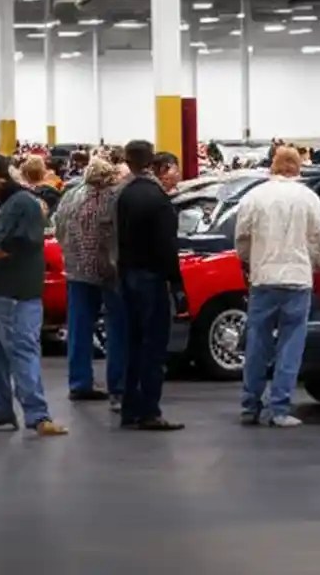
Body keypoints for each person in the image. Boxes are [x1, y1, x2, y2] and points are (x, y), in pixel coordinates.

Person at [0, 155, 67, 437]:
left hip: (11, 292)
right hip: (0, 291)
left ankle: (38, 415)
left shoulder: (19, 204)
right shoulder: (15, 203)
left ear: (1, 176)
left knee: (20, 350)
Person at [235, 146, 320, 428]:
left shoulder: (254, 196)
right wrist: (319, 262)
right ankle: (279, 409)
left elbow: (241, 237)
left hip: (263, 278)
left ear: (273, 166)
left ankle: (250, 406)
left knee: (257, 342)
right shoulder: (310, 198)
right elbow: (319, 239)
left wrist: (250, 261)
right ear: (298, 167)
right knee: (291, 344)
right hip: (298, 279)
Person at [115, 140, 184, 431]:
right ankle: (150, 411)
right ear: (152, 161)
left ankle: (129, 408)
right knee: (154, 347)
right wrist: (177, 284)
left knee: (132, 344)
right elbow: (167, 246)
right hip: (152, 278)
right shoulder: (158, 199)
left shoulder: (124, 195)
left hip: (128, 276)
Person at [55, 157, 127, 409]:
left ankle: (79, 382)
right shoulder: (114, 199)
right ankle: (118, 385)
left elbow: (58, 228)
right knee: (117, 326)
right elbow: (119, 234)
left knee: (78, 326)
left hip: (76, 270)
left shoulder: (71, 197)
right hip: (109, 271)